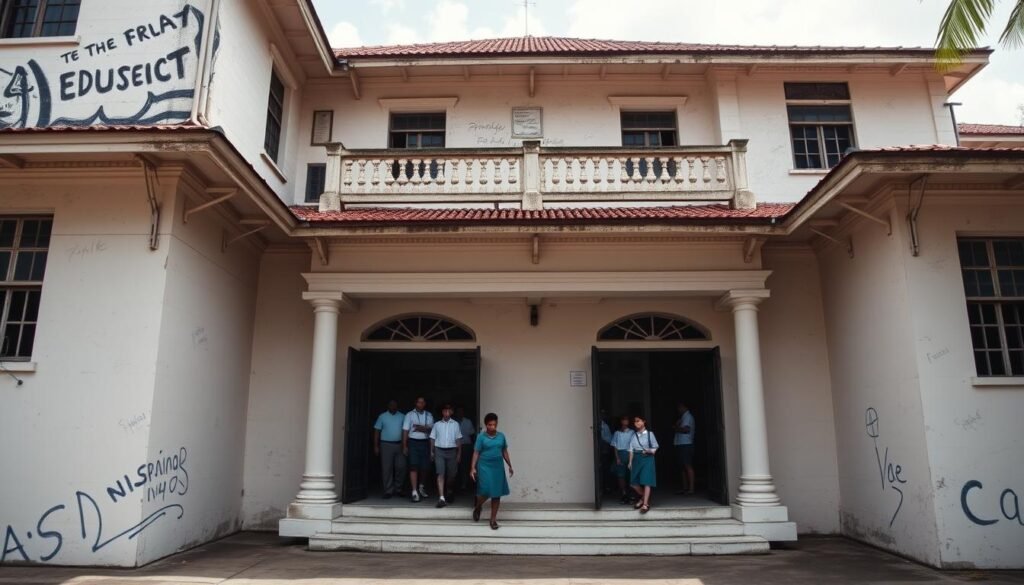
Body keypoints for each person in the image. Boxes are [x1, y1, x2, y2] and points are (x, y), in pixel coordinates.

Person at [470, 412, 513, 530]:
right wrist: (472, 468)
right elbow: (476, 452)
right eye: (490, 425)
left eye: (494, 425)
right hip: (484, 466)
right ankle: (478, 506)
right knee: (486, 490)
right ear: (486, 425)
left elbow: (504, 451)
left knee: (496, 493)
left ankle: (493, 519)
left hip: (497, 467)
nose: (492, 427)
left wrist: (510, 465)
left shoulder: (501, 436)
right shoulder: (481, 437)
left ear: (497, 424)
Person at [429, 404, 463, 508]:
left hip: (452, 451)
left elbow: (458, 439)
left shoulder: (456, 424)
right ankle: (441, 498)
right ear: (442, 412)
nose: (446, 412)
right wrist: (431, 451)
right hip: (439, 450)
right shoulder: (437, 424)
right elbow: (432, 438)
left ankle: (449, 490)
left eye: (449, 410)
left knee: (452, 475)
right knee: (440, 473)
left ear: (451, 412)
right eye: (445, 411)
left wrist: (459, 453)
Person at [402, 396, 434, 503]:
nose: (421, 404)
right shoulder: (409, 415)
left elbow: (431, 430)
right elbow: (406, 431)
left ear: (425, 404)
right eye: (419, 402)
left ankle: (421, 486)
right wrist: (404, 446)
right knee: (413, 466)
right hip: (413, 442)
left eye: (423, 402)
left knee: (425, 467)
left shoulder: (429, 415)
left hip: (425, 442)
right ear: (415, 403)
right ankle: (414, 491)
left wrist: (419, 427)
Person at [373, 399, 406, 499]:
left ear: (397, 406)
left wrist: (406, 445)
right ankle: (388, 490)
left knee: (401, 467)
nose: (393, 406)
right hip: (386, 445)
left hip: (400, 445)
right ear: (388, 406)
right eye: (391, 405)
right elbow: (377, 431)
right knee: (387, 468)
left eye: (394, 404)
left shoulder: (403, 416)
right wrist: (376, 446)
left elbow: (406, 431)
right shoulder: (382, 416)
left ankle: (398, 489)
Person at [628, 414, 659, 514]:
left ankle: (645, 504)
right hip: (636, 459)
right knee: (633, 483)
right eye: (635, 421)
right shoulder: (634, 435)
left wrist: (649, 451)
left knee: (647, 480)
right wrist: (629, 462)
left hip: (647, 458)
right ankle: (643, 497)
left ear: (644, 421)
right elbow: (631, 450)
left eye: (638, 421)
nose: (636, 423)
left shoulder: (650, 434)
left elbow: (655, 447)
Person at [610, 415, 634, 504]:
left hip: (629, 454)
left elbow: (633, 445)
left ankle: (631, 494)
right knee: (621, 476)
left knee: (630, 475)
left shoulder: (632, 432)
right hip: (620, 454)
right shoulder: (617, 433)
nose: (625, 421)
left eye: (626, 419)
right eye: (623, 419)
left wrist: (631, 457)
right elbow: (615, 446)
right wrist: (617, 458)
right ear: (621, 421)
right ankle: (624, 494)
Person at [673, 401, 696, 495]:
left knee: (687, 465)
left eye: (680, 407)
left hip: (686, 444)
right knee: (682, 467)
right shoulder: (683, 417)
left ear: (684, 407)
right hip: (681, 444)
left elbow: (686, 429)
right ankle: (685, 488)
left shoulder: (688, 417)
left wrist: (676, 427)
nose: (678, 409)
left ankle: (691, 489)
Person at [456, 406, 476, 490]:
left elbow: (472, 435)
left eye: (461, 411)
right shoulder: (453, 422)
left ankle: (464, 485)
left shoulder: (468, 421)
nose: (460, 413)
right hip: (454, 447)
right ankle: (455, 485)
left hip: (466, 446)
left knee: (465, 466)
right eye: (458, 411)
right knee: (455, 466)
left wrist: (473, 447)